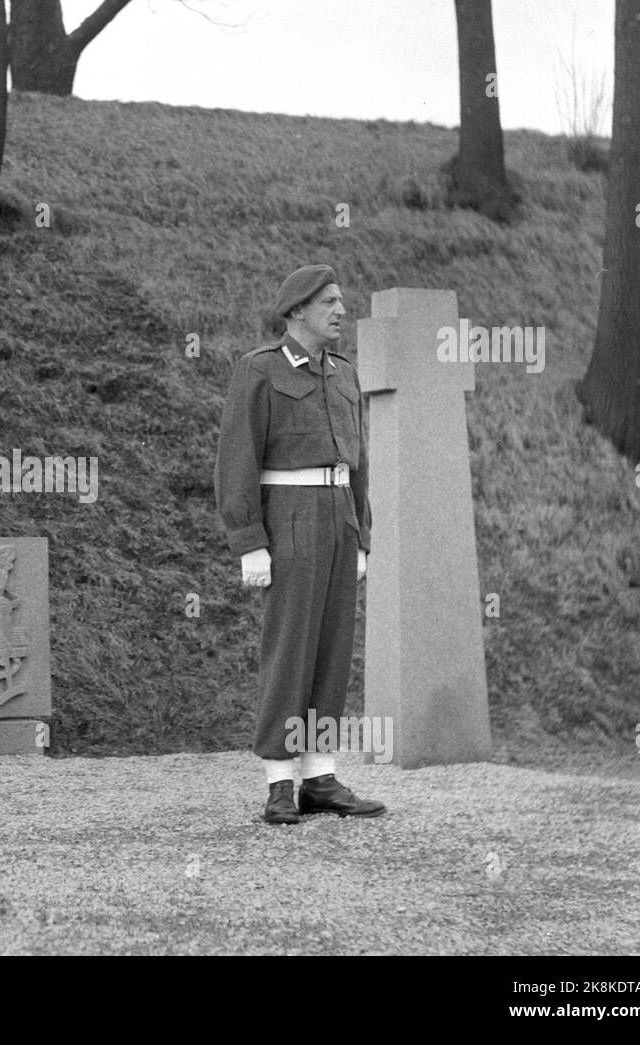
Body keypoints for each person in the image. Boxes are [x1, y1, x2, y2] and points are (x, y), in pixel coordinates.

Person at [214, 264, 386, 825]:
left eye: (341, 301)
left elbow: (356, 465)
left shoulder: (344, 375)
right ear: (297, 312)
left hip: (337, 521)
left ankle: (319, 776)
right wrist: (249, 542)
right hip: (288, 522)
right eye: (329, 302)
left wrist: (362, 535)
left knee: (332, 650)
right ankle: (278, 782)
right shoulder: (259, 371)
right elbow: (237, 459)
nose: (340, 310)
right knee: (290, 648)